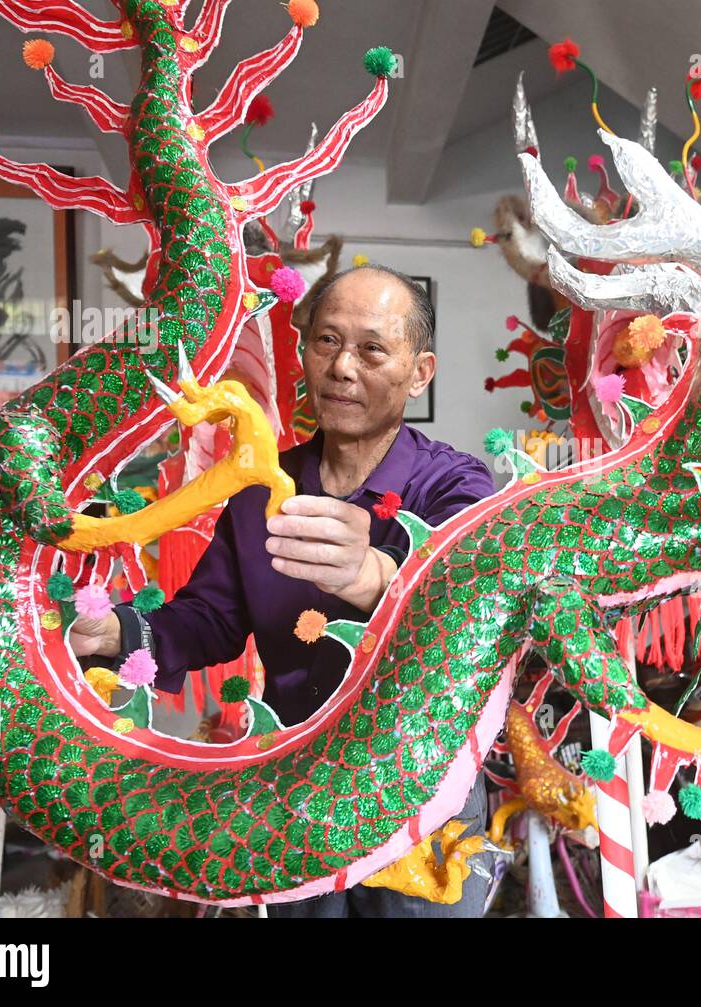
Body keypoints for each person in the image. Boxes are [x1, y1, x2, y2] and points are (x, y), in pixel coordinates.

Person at [71, 265, 496, 917]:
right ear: (303, 355)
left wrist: (381, 574)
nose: (342, 367)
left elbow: (474, 594)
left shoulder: (457, 486)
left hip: (424, 803)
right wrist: (121, 632)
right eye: (326, 341)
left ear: (420, 371)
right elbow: (209, 618)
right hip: (298, 795)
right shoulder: (260, 493)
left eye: (372, 348)